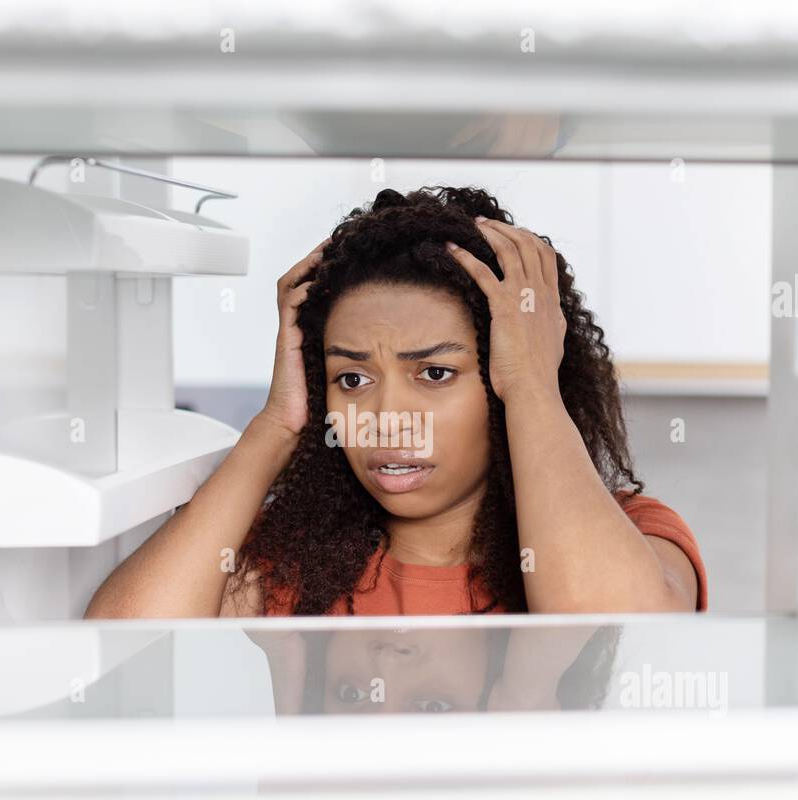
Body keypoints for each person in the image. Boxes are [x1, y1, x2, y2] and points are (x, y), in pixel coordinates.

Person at [85, 186, 707, 619]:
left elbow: (619, 639)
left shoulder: (638, 536)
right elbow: (122, 653)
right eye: (351, 380)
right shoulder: (294, 562)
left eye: (435, 372)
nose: (386, 419)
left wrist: (534, 390)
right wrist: (275, 428)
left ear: (508, 376)